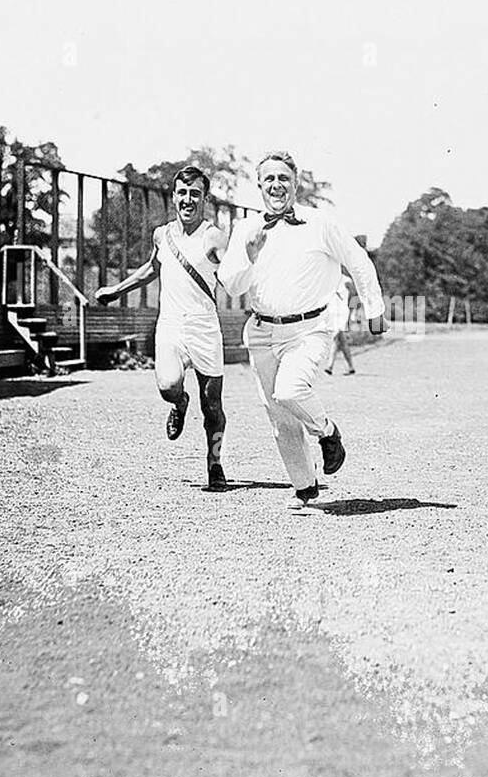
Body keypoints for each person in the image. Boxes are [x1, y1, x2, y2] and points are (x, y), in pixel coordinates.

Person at [218, 150, 385, 511]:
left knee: (290, 390)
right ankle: (305, 487)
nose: (277, 185)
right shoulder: (246, 228)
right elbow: (231, 285)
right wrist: (248, 255)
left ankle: (328, 432)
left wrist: (375, 308)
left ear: (295, 184)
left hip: (310, 329)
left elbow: (357, 260)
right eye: (270, 179)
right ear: (259, 185)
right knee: (279, 417)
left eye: (284, 178)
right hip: (262, 331)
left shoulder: (320, 222)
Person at [96, 165, 230, 492]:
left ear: (204, 198)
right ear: (173, 197)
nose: (188, 200)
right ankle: (179, 403)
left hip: (204, 327)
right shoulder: (163, 234)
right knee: (168, 386)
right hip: (170, 325)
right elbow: (151, 269)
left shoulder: (213, 237)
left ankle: (214, 464)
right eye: (182, 193)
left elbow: (235, 275)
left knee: (212, 404)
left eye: (195, 194)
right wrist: (116, 290)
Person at [323, 274, 357, 376]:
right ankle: (351, 367)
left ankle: (329, 366)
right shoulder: (328, 279)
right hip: (333, 313)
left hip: (342, 313)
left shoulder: (347, 281)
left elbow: (353, 298)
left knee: (336, 337)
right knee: (342, 341)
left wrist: (352, 313)